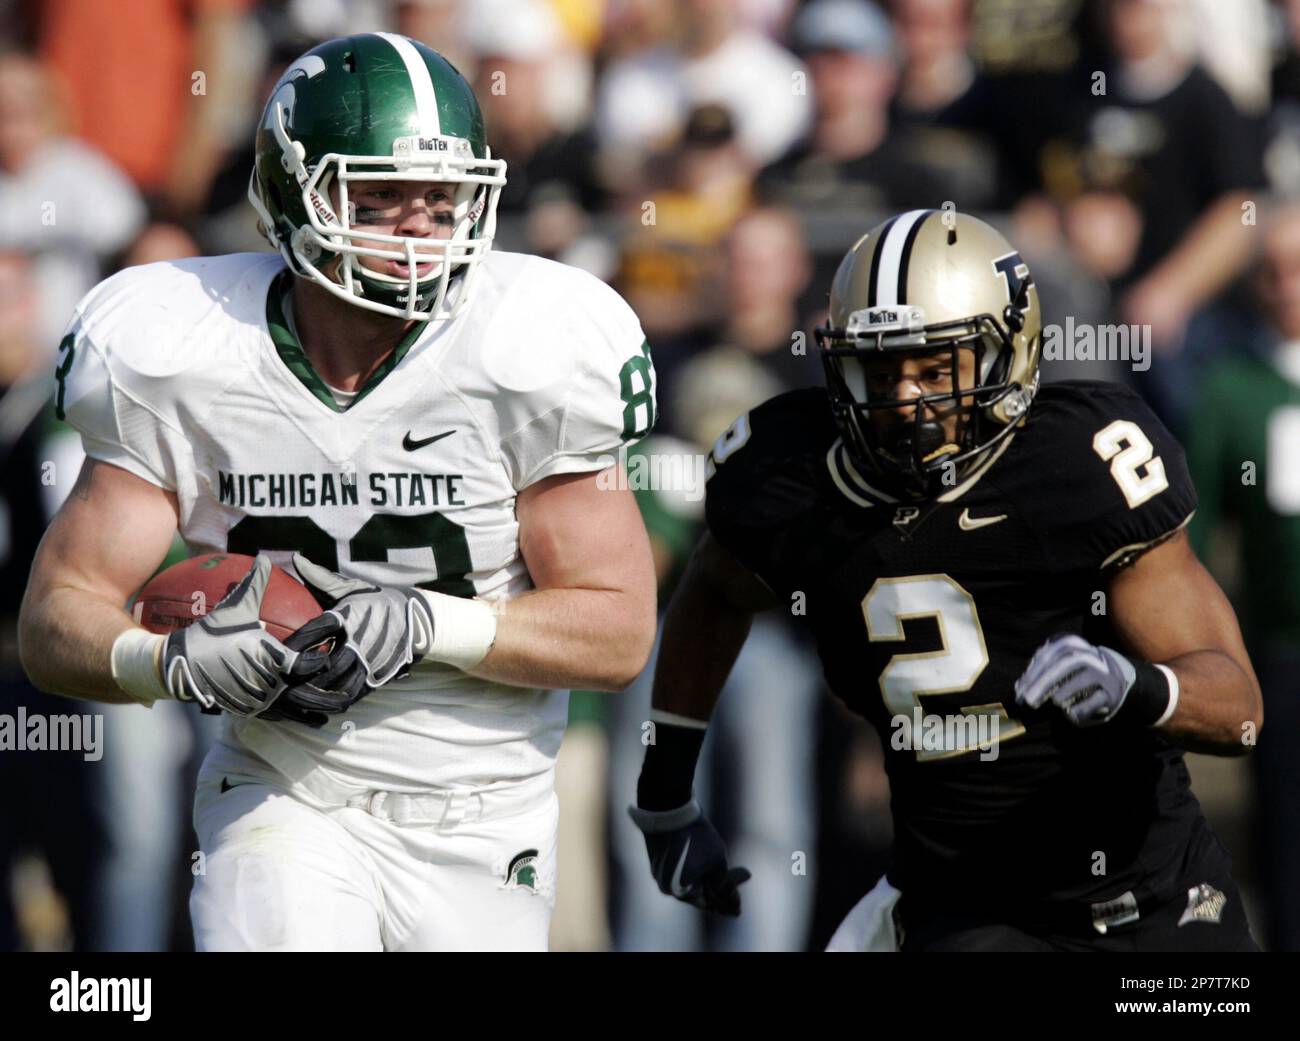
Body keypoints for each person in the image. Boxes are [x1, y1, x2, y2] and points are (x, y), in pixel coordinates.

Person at [19, 33, 657, 952]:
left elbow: (618, 627)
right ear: (289, 190)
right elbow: (55, 619)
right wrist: (168, 662)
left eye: (443, 202)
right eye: (381, 197)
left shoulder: (534, 347)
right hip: (286, 784)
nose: (417, 231)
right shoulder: (182, 343)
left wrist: (437, 625)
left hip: (480, 808)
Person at [628, 209, 1263, 952]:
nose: (905, 400)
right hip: (965, 905)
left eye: (935, 369)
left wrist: (1137, 685)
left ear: (1006, 357)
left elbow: (1239, 707)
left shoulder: (1080, 466)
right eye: (881, 367)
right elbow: (713, 590)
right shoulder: (792, 479)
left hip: (1150, 894)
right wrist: (666, 792)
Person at [1186, 203, 1300, 952]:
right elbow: (1190, 533)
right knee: (1287, 830)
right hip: (1284, 648)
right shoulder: (1233, 388)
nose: (1288, 287)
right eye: (1272, 272)